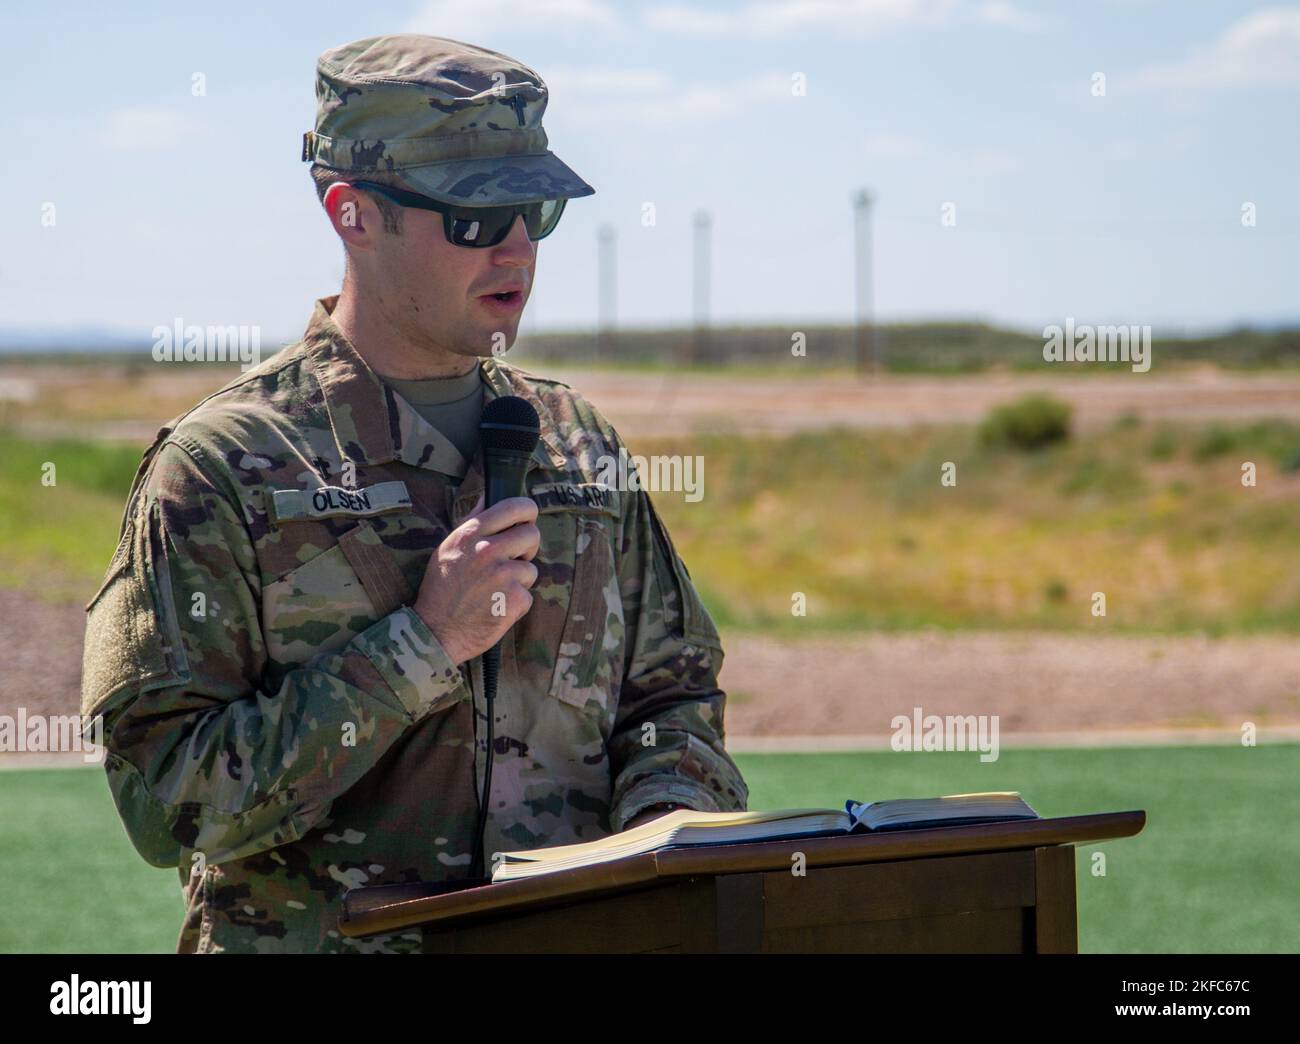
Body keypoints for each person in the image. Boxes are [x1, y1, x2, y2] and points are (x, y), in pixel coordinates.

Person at [80, 33, 748, 953]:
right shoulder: (223, 467)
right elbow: (167, 808)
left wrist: (654, 838)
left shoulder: (578, 443)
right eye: (474, 220)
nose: (516, 250)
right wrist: (423, 645)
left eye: (535, 211)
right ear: (352, 214)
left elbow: (675, 698)